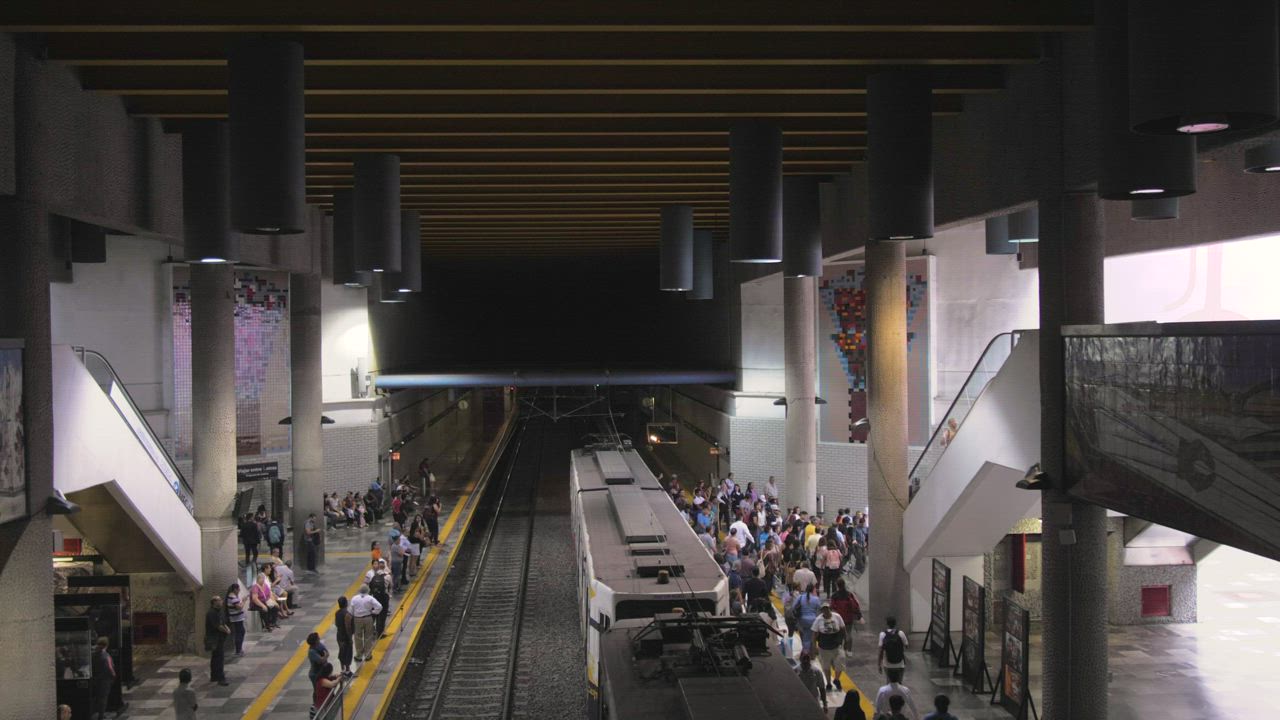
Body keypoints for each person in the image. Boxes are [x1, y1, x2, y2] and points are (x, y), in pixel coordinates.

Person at [813, 602, 848, 691]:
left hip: (837, 645)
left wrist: (846, 640)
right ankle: (828, 683)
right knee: (826, 667)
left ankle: (836, 679)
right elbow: (814, 634)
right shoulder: (818, 620)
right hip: (824, 647)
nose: (826, 611)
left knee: (840, 663)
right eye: (824, 609)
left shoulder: (837, 617)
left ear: (830, 609)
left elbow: (843, 629)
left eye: (827, 609)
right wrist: (814, 646)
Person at [350, 584, 383, 662]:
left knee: (358, 637)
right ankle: (368, 655)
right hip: (368, 618)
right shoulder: (370, 598)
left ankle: (359, 655)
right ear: (368, 590)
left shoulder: (354, 598)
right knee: (368, 636)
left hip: (357, 619)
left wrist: (354, 615)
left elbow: (351, 610)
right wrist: (373, 612)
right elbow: (379, 606)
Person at [829, 578, 863, 651]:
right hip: (848, 618)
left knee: (839, 633)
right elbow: (855, 605)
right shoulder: (849, 594)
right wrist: (859, 616)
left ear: (837, 585)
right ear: (844, 584)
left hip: (838, 618)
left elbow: (831, 607)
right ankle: (849, 650)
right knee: (848, 633)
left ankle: (840, 649)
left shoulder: (835, 595)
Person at [205, 595, 230, 686]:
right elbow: (218, 626)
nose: (221, 601)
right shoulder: (211, 613)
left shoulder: (219, 611)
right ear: (214, 602)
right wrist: (226, 631)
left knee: (216, 657)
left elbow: (223, 622)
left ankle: (214, 676)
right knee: (219, 659)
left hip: (220, 638)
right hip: (215, 639)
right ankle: (221, 678)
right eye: (219, 600)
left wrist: (227, 628)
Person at [791, 584, 823, 653]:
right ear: (813, 590)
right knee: (810, 638)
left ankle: (806, 651)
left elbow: (793, 607)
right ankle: (807, 652)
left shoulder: (800, 597)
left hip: (801, 620)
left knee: (804, 636)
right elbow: (820, 609)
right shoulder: (816, 599)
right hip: (813, 621)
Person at [90, 636, 116, 720]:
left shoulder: (93, 654)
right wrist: (113, 676)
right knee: (103, 698)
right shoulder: (106, 655)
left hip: (95, 679)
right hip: (105, 680)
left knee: (97, 697)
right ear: (106, 645)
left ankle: (96, 713)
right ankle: (101, 715)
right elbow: (110, 668)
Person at [878, 616, 909, 683]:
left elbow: (881, 651)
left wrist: (879, 665)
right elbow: (906, 646)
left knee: (889, 682)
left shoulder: (882, 634)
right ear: (895, 624)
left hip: (887, 664)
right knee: (899, 683)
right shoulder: (901, 633)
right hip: (900, 663)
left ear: (887, 624)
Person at [368, 559, 393, 636]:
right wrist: (389, 595)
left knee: (374, 614)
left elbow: (370, 586)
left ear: (378, 567)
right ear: (384, 567)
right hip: (384, 598)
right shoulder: (388, 576)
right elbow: (390, 586)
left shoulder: (373, 575)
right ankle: (380, 632)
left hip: (375, 597)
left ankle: (372, 630)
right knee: (382, 615)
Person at [224, 583, 247, 656]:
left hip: (237, 618)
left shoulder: (232, 596)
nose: (239, 590)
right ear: (235, 589)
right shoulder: (232, 597)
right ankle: (238, 650)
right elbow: (239, 607)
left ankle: (239, 649)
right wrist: (244, 601)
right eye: (238, 589)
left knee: (241, 632)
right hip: (236, 619)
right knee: (239, 633)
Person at [334, 596, 355, 676]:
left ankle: (342, 669)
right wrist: (350, 638)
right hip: (345, 637)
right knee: (348, 653)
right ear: (346, 603)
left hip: (339, 635)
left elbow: (336, 624)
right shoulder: (347, 614)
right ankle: (347, 670)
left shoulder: (337, 613)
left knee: (342, 651)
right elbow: (348, 627)